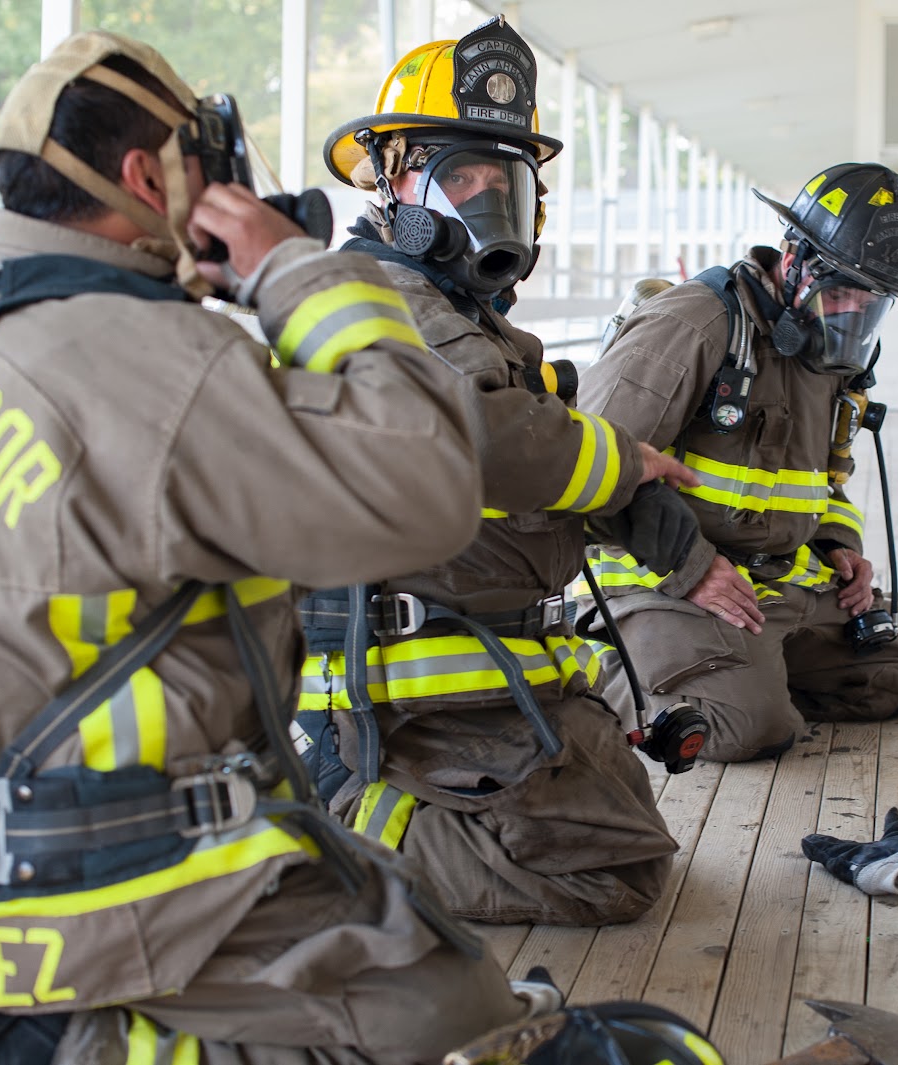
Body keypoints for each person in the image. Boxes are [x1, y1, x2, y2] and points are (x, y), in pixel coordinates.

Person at [0, 30, 535, 1065]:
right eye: (207, 167)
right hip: (143, 896)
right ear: (150, 175)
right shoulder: (142, 356)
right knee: (450, 1002)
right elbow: (427, 490)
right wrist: (291, 268)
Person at [300, 15, 693, 928]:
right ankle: (339, 826)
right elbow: (484, 436)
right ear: (395, 181)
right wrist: (619, 460)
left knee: (624, 831)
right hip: (404, 698)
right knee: (611, 879)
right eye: (461, 174)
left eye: (503, 178)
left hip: (495, 670)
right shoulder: (370, 300)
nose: (486, 199)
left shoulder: (465, 317)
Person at [575, 163, 898, 763]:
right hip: (663, 582)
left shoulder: (831, 355)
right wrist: (691, 567)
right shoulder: (694, 324)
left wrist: (834, 544)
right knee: (749, 728)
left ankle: (744, 670)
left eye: (869, 300)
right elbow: (590, 463)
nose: (850, 311)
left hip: (772, 586)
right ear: (793, 256)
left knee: (889, 682)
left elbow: (822, 484)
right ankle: (583, 670)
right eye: (840, 290)